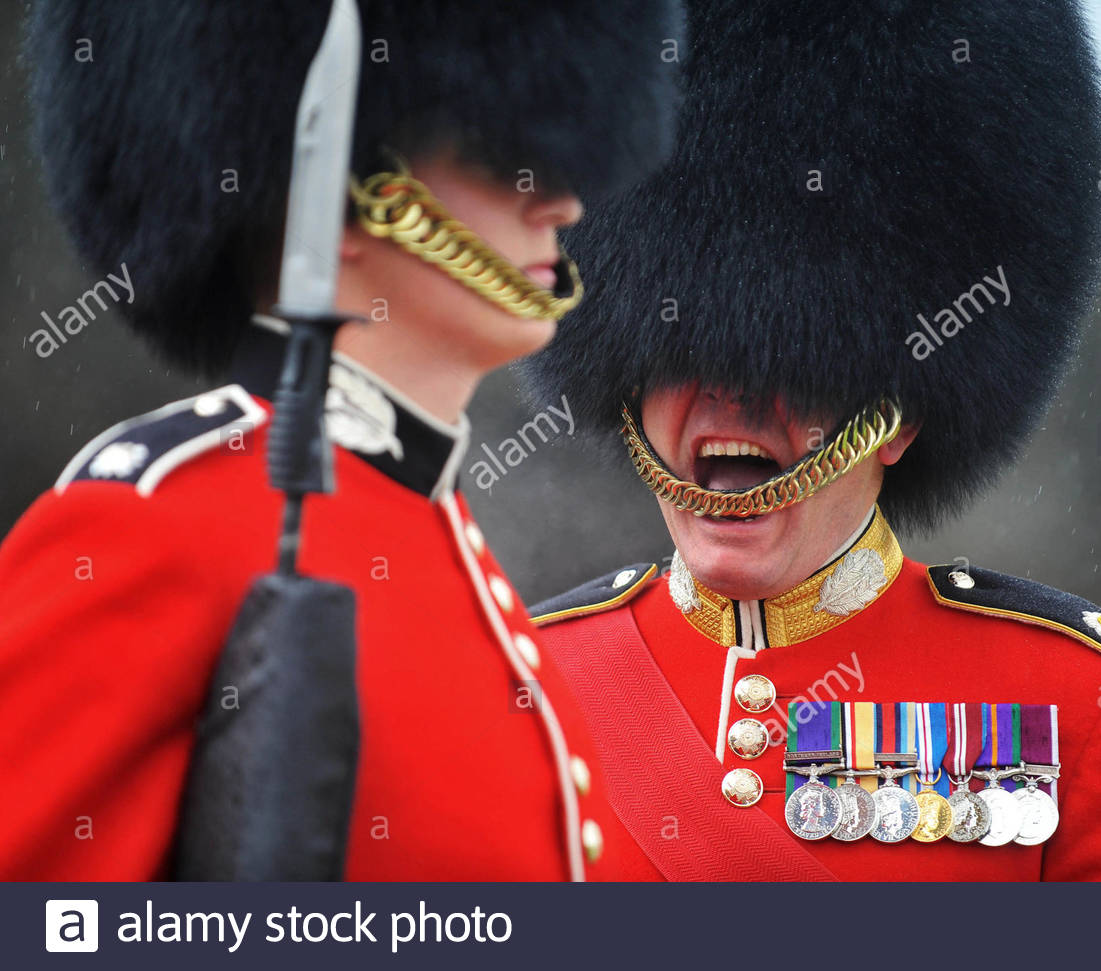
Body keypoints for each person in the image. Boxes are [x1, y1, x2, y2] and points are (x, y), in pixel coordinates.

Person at [522, 0, 1101, 881]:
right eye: (680, 353)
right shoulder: (524, 686)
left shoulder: (1078, 702)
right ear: (620, 371)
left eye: (799, 362)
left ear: (900, 418)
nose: (732, 392)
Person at [0, 0, 681, 880]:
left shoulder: (451, 544)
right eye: (503, 154)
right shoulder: (157, 524)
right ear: (346, 189)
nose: (562, 198)